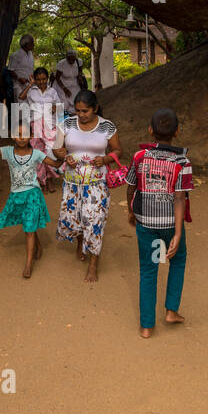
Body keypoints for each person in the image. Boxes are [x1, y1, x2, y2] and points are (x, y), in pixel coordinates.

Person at [126, 108, 194, 339]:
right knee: (177, 259)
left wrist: (131, 212)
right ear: (177, 132)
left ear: (150, 130)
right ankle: (171, 311)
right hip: (169, 224)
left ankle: (147, 326)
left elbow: (130, 188)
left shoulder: (140, 157)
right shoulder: (182, 162)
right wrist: (177, 233)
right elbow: (179, 198)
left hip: (146, 223)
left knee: (149, 269)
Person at [0, 121, 63, 278]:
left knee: (28, 230)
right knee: (27, 225)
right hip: (16, 195)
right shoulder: (8, 151)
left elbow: (56, 163)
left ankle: (28, 264)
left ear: (31, 136)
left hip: (32, 194)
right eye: (18, 135)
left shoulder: (37, 154)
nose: (21, 138)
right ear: (12, 136)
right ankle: (38, 246)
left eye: (25, 135)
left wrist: (62, 156)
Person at [52, 90, 121, 283]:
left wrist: (105, 158)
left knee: (94, 220)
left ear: (95, 108)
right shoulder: (66, 124)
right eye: (78, 111)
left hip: (97, 184)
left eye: (85, 111)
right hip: (72, 184)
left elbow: (118, 150)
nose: (81, 115)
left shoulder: (107, 127)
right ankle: (80, 241)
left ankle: (93, 263)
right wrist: (65, 156)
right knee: (76, 217)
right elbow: (56, 149)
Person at [18, 67, 65, 192]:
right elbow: (21, 97)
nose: (41, 82)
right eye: (38, 79)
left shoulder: (52, 92)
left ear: (47, 79)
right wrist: (30, 84)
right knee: (38, 155)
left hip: (50, 126)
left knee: (50, 153)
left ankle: (50, 180)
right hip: (35, 126)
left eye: (43, 79)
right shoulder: (31, 91)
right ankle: (42, 182)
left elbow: (60, 108)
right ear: (35, 79)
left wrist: (56, 108)